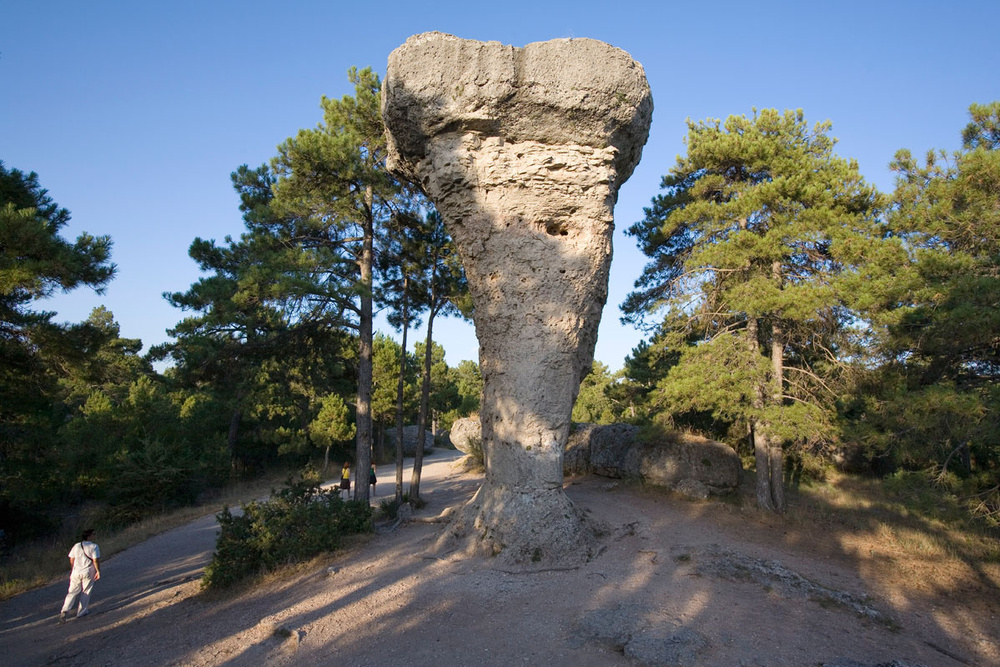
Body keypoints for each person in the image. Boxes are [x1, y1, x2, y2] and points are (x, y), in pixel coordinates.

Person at [60, 529, 101, 622]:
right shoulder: (94, 546)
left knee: (72, 592)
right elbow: (95, 560)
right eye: (93, 534)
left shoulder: (77, 545)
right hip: (88, 571)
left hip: (76, 571)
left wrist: (73, 568)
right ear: (89, 536)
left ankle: (65, 610)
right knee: (86, 590)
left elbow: (71, 558)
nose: (95, 536)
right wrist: (98, 571)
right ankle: (82, 611)